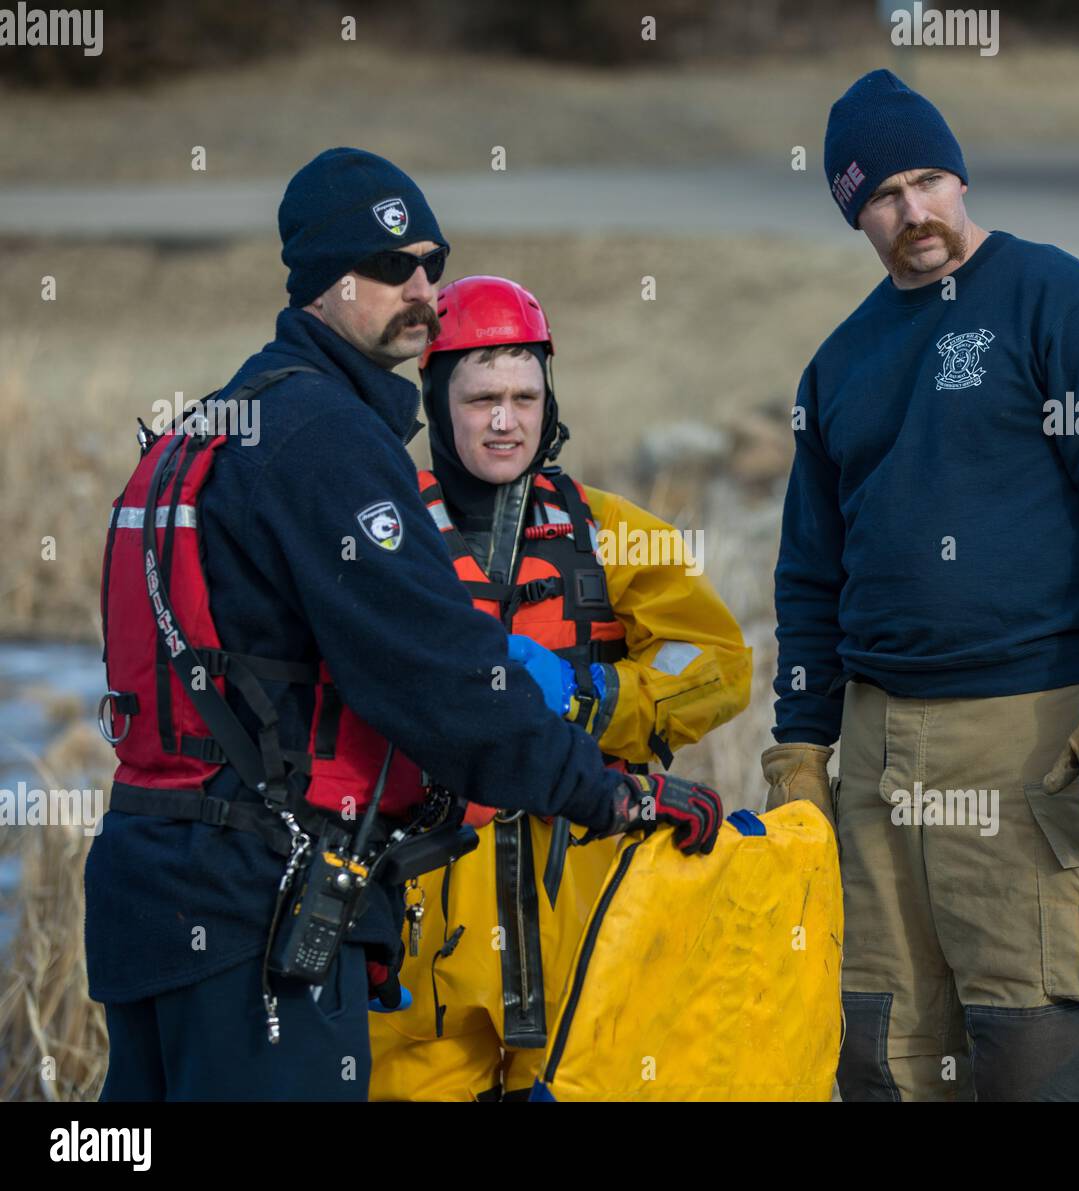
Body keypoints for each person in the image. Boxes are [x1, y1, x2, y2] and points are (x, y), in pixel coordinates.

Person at [87, 148, 724, 1102]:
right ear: (321, 280)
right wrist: (612, 794)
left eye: (432, 264)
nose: (422, 290)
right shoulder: (326, 439)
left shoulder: (213, 424)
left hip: (149, 886)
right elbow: (440, 680)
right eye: (391, 267)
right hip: (253, 908)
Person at [763, 71, 1079, 1102]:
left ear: (959, 177)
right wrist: (799, 747)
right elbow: (809, 575)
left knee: (1036, 1040)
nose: (913, 211)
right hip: (876, 756)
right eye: (883, 195)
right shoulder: (841, 363)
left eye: (927, 180)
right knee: (882, 1048)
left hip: (1028, 735)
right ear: (854, 213)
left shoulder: (1065, 304)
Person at [367, 274, 751, 1100]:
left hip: (583, 913)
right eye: (481, 399)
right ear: (436, 402)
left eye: (524, 397)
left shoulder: (608, 530)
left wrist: (589, 698)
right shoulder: (385, 529)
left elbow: (717, 664)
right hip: (427, 934)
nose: (506, 421)